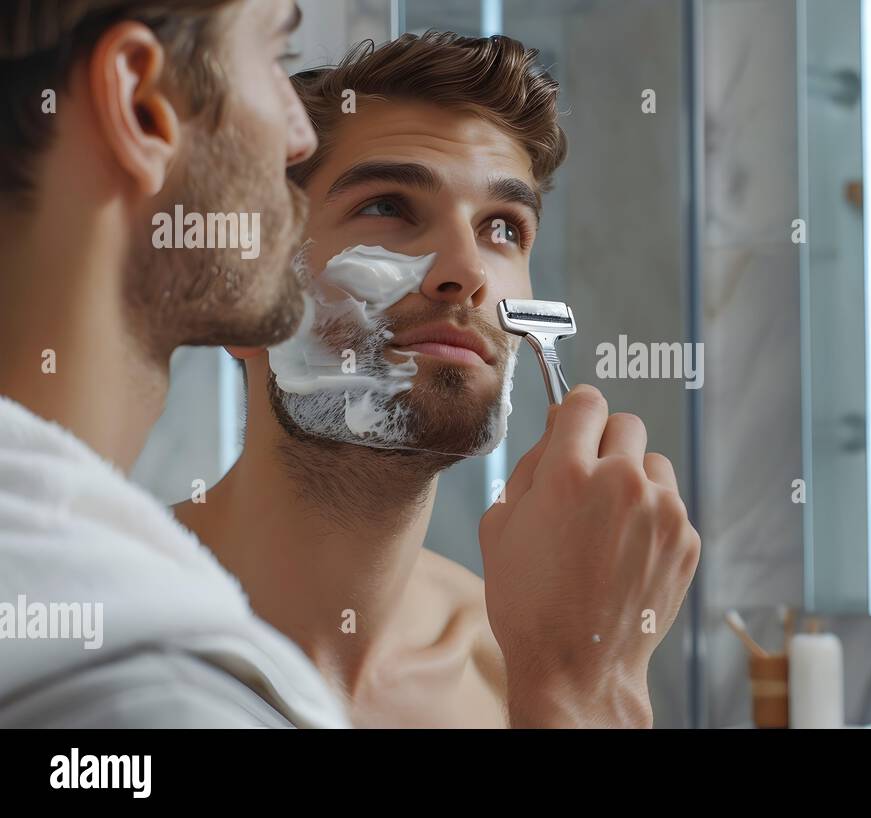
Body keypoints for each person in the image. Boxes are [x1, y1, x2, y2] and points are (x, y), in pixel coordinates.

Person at [175, 32, 701, 727]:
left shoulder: (517, 666)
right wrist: (581, 692)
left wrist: (585, 682)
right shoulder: (112, 629)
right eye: (389, 206)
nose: (469, 271)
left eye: (503, 228)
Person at [0, 0, 350, 727]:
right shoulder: (159, 706)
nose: (301, 135)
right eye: (275, 59)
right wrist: (578, 691)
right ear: (142, 105)